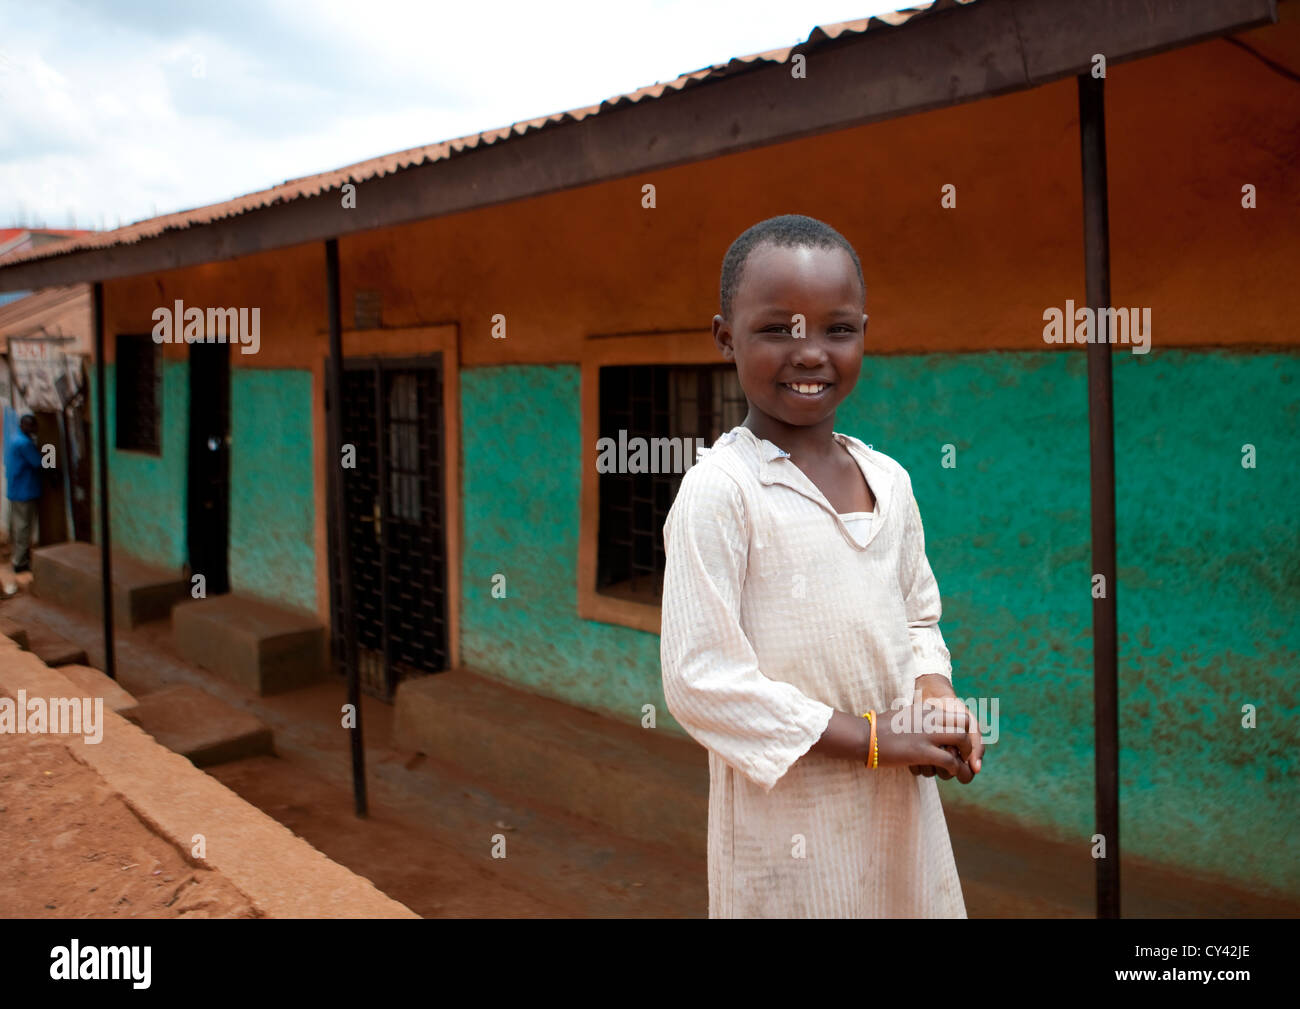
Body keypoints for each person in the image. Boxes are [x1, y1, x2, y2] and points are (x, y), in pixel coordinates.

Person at [659, 214, 985, 918]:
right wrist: (876, 741)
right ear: (725, 337)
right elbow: (699, 679)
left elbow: (918, 615)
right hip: (786, 830)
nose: (811, 353)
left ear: (864, 333)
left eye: (838, 329)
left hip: (900, 810)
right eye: (779, 328)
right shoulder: (723, 491)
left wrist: (935, 696)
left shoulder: (890, 481)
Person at [5, 409, 44, 573]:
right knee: (23, 527)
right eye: (31, 426)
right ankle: (19, 562)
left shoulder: (15, 439)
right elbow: (39, 463)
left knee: (18, 526)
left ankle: (19, 557)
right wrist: (50, 450)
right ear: (24, 426)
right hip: (25, 491)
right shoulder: (25, 443)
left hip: (16, 490)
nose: (34, 429)